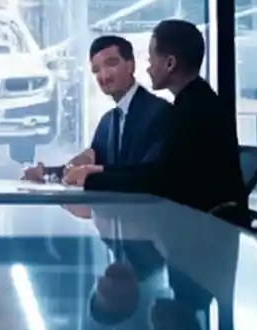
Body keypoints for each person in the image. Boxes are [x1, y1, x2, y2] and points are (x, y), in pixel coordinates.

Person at [63, 20, 243, 213]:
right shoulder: (196, 101)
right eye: (96, 70)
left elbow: (156, 177)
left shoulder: (188, 112)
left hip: (200, 229)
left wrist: (94, 176)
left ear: (170, 63)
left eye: (151, 59)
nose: (148, 68)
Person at [22, 35, 171, 182]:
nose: (104, 76)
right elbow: (86, 168)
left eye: (111, 64)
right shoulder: (107, 122)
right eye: (96, 70)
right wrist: (45, 174)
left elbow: (151, 175)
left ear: (131, 65)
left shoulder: (161, 113)